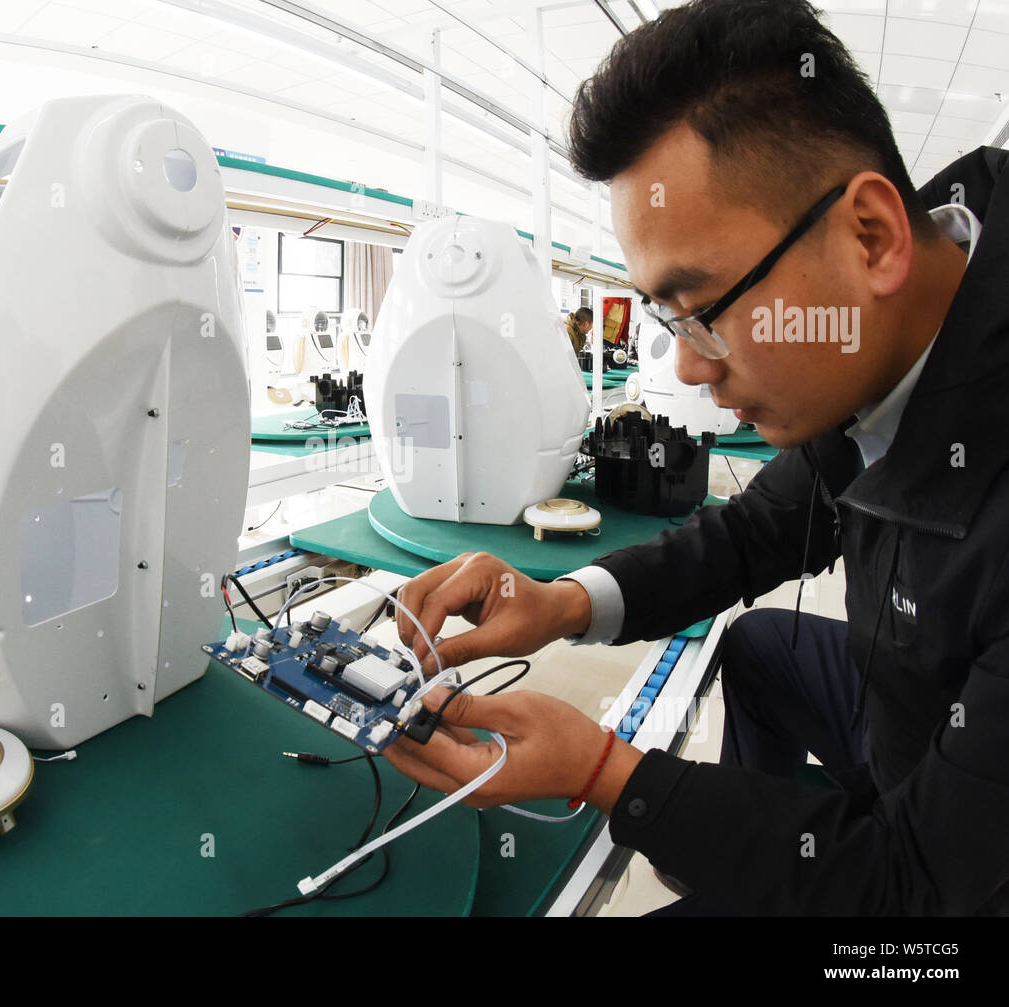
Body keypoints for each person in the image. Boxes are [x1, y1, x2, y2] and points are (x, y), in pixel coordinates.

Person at [383, 0, 1009, 915]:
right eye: (667, 315)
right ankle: (750, 844)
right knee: (760, 645)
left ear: (870, 236)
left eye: (705, 304)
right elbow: (758, 530)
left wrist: (610, 772)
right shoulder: (878, 343)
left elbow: (913, 885)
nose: (686, 362)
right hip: (899, 703)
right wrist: (562, 602)